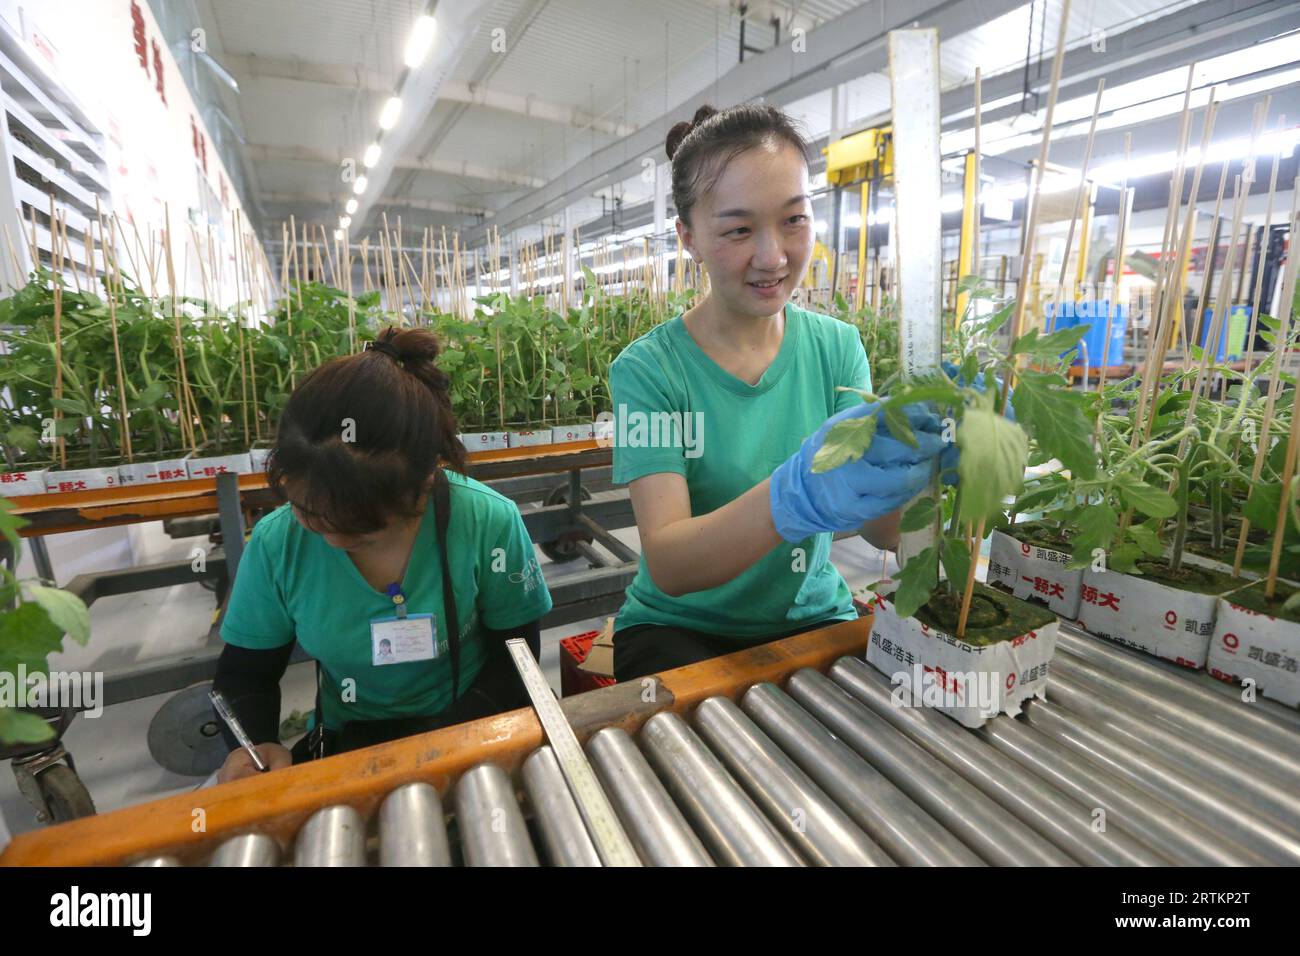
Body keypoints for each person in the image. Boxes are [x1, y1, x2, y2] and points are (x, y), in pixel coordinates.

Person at [609, 103, 952, 681]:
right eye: (739, 230)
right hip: (681, 628)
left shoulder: (837, 348)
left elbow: (880, 530)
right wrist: (792, 495)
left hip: (810, 614)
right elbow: (669, 563)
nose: (773, 257)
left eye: (794, 220)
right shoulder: (651, 370)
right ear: (689, 238)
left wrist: (923, 476)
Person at [213, 326, 552, 782]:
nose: (332, 540)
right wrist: (253, 744)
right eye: (309, 512)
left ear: (425, 482)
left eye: (361, 530)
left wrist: (437, 751)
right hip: (348, 741)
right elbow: (246, 674)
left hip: (469, 726)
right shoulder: (277, 544)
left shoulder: (487, 521)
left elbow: (517, 658)